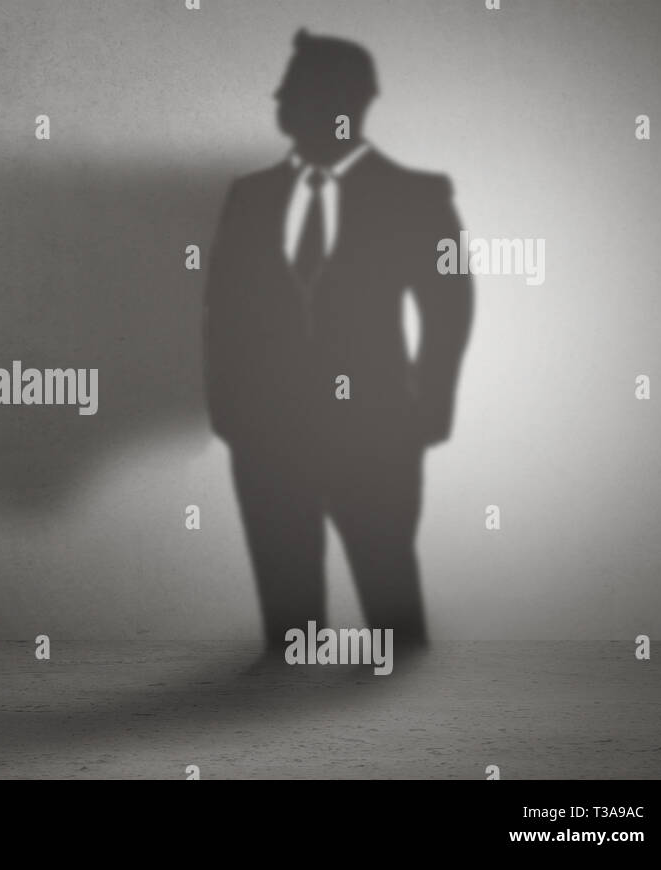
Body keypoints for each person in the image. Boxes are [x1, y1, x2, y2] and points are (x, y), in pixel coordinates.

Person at [203, 29, 474, 665]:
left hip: (378, 432)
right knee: (288, 629)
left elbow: (449, 309)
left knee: (391, 603)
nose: (278, 97)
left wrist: (427, 414)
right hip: (265, 437)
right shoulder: (249, 196)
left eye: (294, 87)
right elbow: (221, 312)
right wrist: (229, 414)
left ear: (345, 100)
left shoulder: (418, 196)